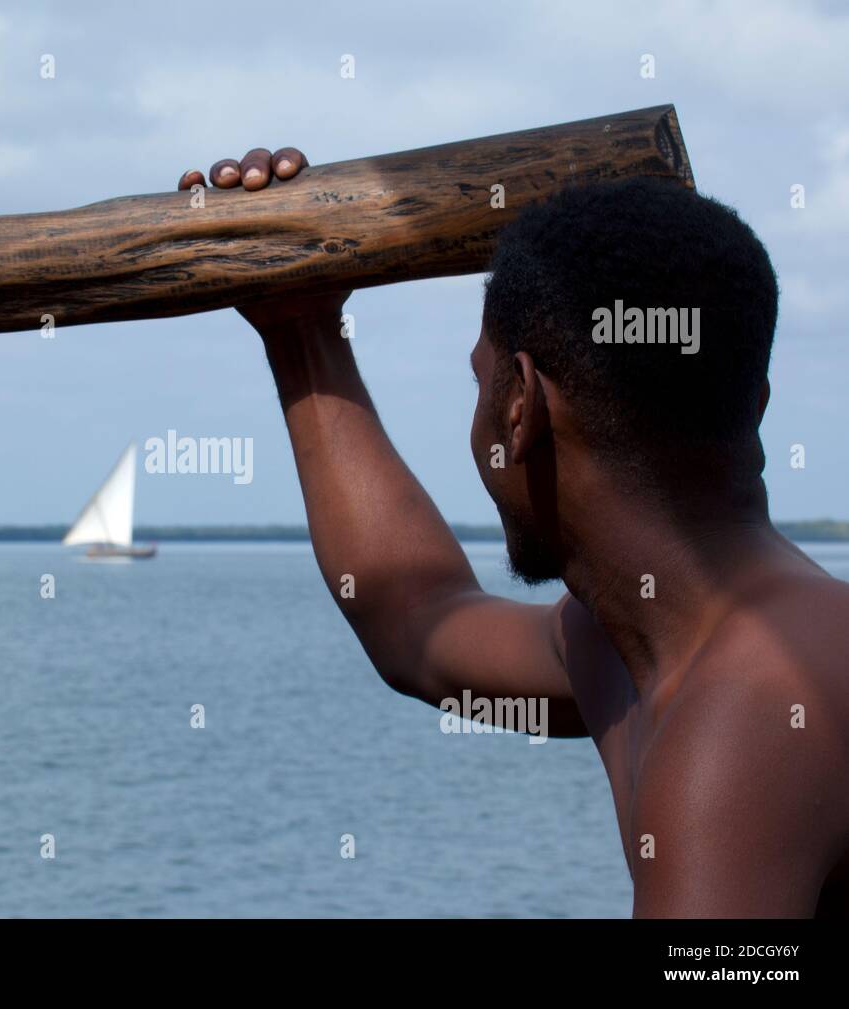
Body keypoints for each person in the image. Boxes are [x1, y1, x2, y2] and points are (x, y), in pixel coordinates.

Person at [178, 147, 849, 918]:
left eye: (480, 379)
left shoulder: (742, 720)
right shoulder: (640, 642)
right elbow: (417, 623)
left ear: (519, 407)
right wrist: (299, 328)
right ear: (756, 403)